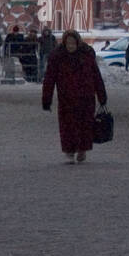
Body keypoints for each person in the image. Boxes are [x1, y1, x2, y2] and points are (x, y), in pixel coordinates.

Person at [41, 30, 109, 164]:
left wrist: (102, 97)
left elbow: (96, 77)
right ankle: (69, 151)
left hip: (86, 97)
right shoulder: (57, 57)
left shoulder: (87, 55)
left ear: (78, 43)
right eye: (68, 43)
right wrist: (46, 100)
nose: (70, 46)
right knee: (68, 126)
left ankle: (82, 149)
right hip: (67, 98)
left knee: (85, 125)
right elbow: (49, 79)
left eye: (73, 43)